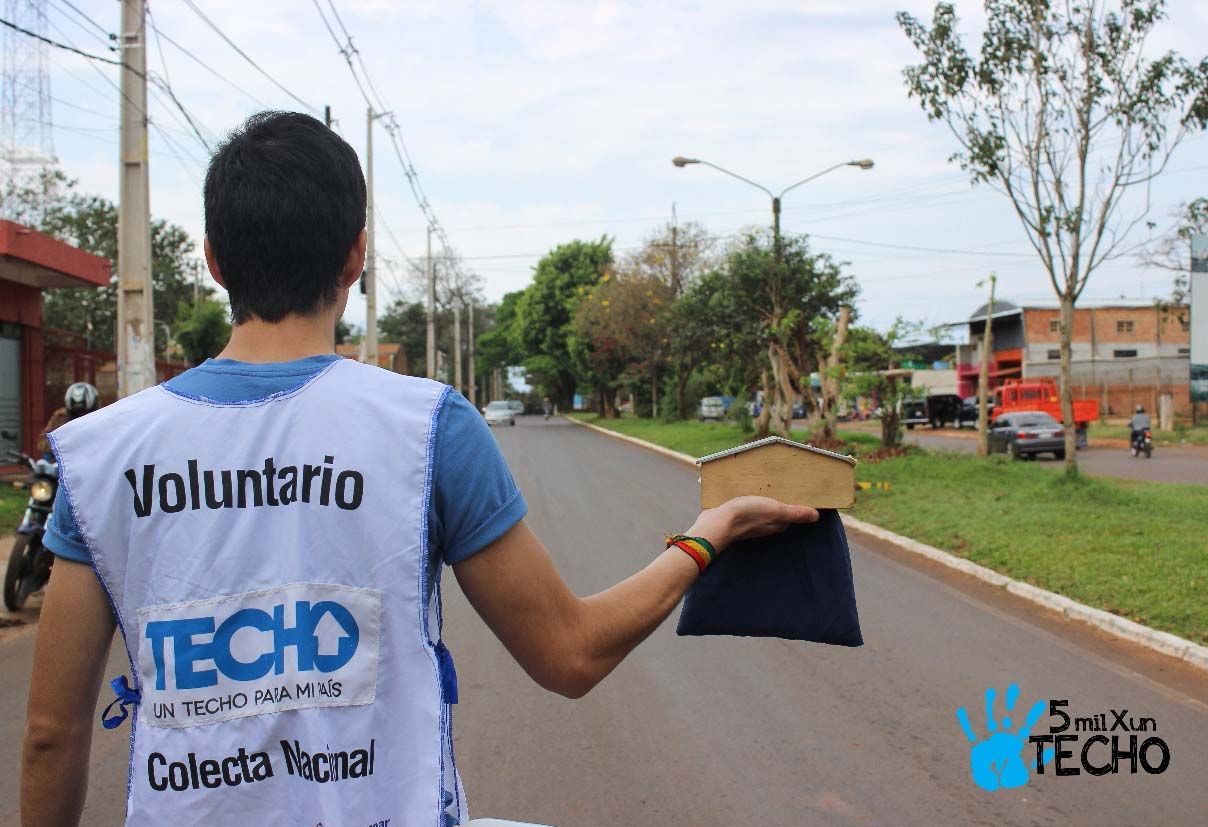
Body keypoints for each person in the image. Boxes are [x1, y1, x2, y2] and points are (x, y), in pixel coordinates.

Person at [20, 111, 818, 827]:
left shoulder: (102, 454)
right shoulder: (427, 427)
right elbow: (570, 654)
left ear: (214, 261)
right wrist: (708, 534)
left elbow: (52, 737)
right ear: (356, 255)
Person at [34, 381, 99, 457]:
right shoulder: (60, 416)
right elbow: (42, 442)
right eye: (76, 414)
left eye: (85, 413)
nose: (81, 417)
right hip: (64, 460)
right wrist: (62, 443)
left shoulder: (100, 416)